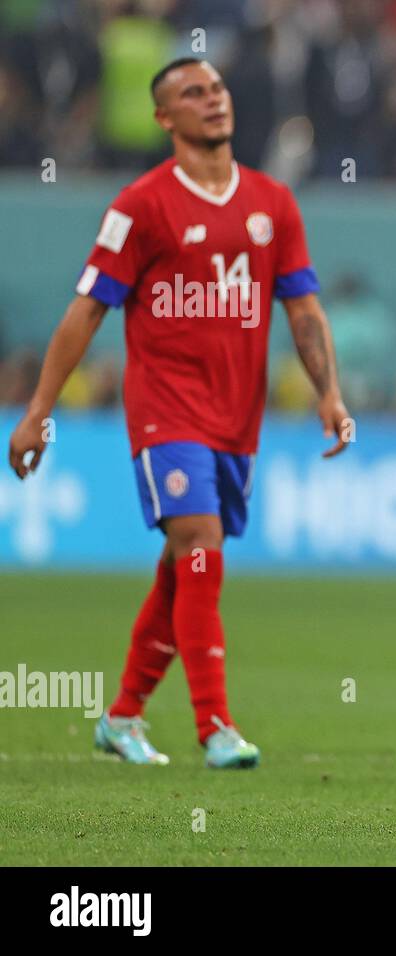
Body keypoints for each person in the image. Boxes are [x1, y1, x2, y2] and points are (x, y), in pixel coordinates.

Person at [7, 58, 352, 769]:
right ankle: (215, 725)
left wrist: (329, 391)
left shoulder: (273, 205)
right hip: (166, 410)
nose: (213, 100)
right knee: (198, 536)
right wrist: (38, 409)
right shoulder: (141, 206)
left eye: (218, 88)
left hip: (237, 417)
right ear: (166, 119)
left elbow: (304, 308)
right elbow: (87, 308)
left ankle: (122, 717)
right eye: (193, 94)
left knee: (187, 561)